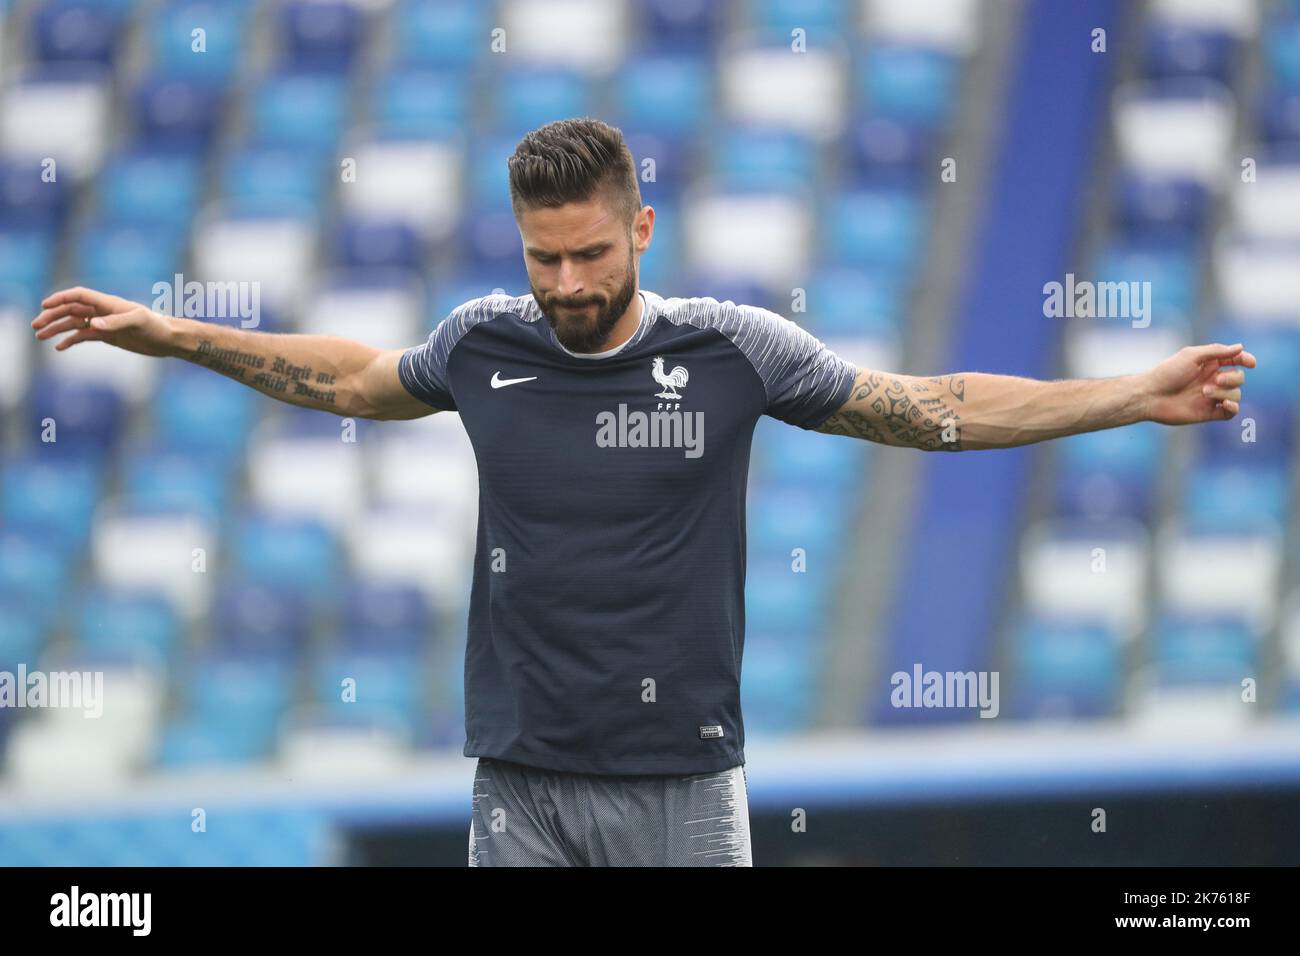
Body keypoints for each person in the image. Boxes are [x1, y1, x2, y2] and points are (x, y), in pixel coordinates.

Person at [32, 117, 1256, 866]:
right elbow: (351, 381)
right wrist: (174, 335)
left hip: (680, 780)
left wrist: (1128, 394)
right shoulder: (482, 343)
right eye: (541, 252)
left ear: (643, 227)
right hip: (519, 779)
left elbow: (928, 406)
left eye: (589, 251)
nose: (564, 279)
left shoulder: (733, 350)